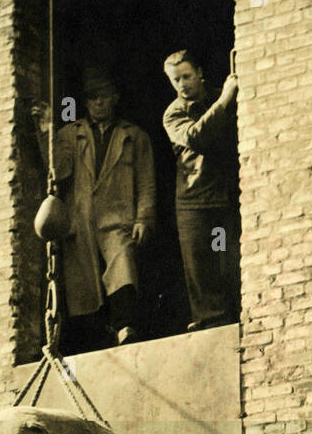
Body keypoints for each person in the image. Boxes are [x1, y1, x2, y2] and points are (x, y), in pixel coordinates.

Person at [33, 66, 156, 351]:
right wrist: (45, 132)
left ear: (115, 97)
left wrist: (144, 218)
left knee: (122, 263)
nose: (98, 103)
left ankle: (125, 325)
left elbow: (146, 182)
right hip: (83, 218)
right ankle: (96, 338)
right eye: (92, 98)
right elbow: (60, 170)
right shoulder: (70, 133)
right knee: (85, 283)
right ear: (86, 102)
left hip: (119, 217)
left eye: (103, 97)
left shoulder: (134, 136)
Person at [162, 49, 239, 331]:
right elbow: (197, 137)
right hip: (193, 202)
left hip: (224, 196)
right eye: (175, 80)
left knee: (229, 262)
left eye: (186, 76)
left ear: (199, 73)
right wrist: (225, 100)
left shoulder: (222, 94)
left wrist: (225, 97)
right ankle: (210, 324)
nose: (182, 84)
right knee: (200, 269)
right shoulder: (173, 114)